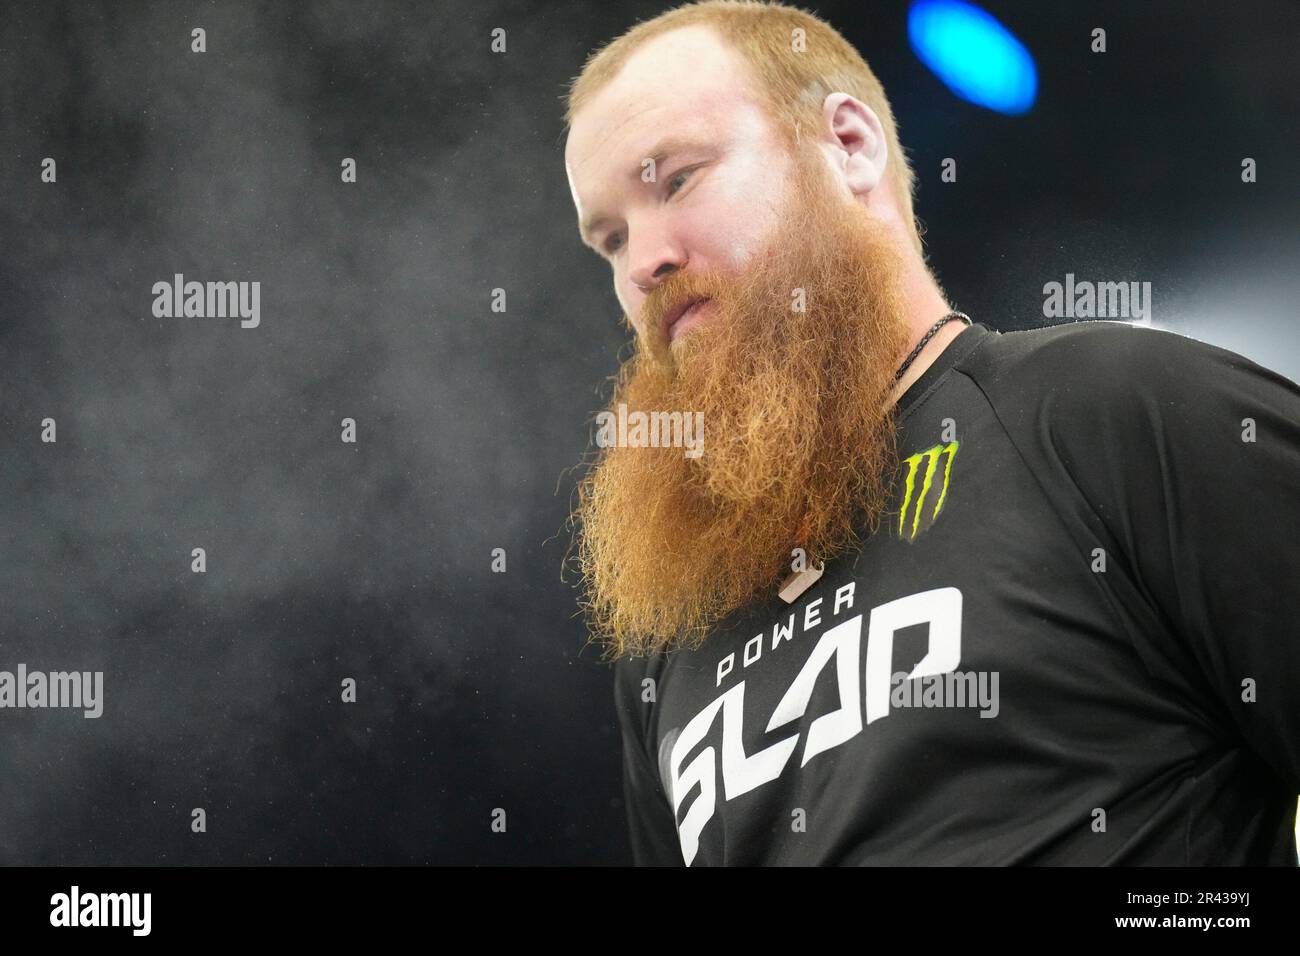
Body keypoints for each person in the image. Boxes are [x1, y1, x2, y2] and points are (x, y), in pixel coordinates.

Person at [562, 0, 1300, 865]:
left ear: (848, 145)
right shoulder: (663, 650)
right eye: (609, 238)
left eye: (676, 180)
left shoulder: (1118, 413)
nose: (642, 262)